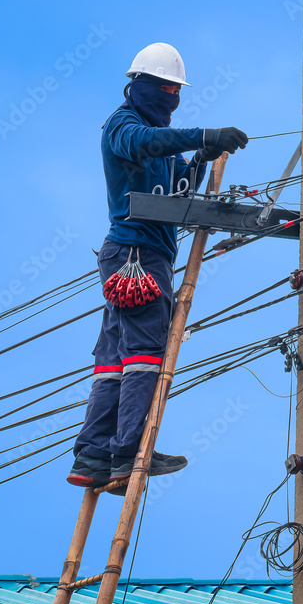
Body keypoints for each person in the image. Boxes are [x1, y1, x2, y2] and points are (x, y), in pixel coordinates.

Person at [67, 42, 249, 487]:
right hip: (136, 258)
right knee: (146, 356)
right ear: (140, 85)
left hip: (137, 258)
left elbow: (177, 193)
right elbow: (145, 144)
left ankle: (93, 456)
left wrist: (199, 162)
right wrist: (204, 135)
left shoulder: (162, 148)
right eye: (165, 87)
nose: (172, 96)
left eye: (176, 89)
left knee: (115, 359)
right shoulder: (124, 126)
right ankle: (127, 454)